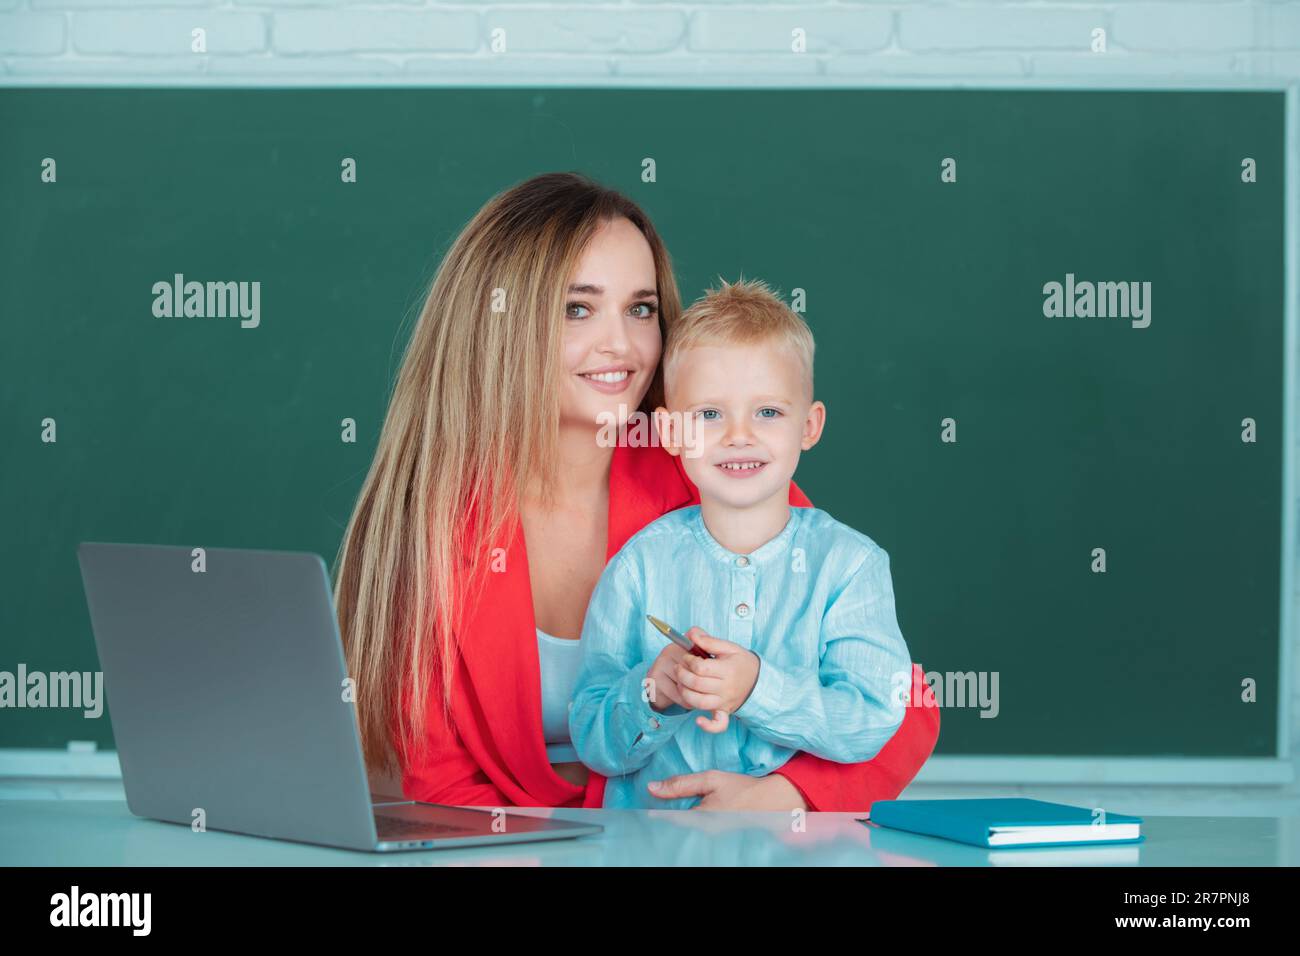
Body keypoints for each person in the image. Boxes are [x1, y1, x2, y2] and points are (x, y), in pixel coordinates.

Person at [333, 172, 939, 810]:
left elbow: (904, 706)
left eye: (641, 309)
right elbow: (437, 782)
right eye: (577, 308)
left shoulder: (701, 471)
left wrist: (787, 798)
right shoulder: (429, 520)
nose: (620, 345)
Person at [570, 277, 913, 808]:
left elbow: (871, 720)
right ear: (670, 432)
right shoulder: (638, 565)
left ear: (809, 425)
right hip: (653, 850)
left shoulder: (849, 567)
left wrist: (759, 688)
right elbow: (593, 741)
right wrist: (653, 692)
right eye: (709, 414)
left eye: (768, 412)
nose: (738, 435)